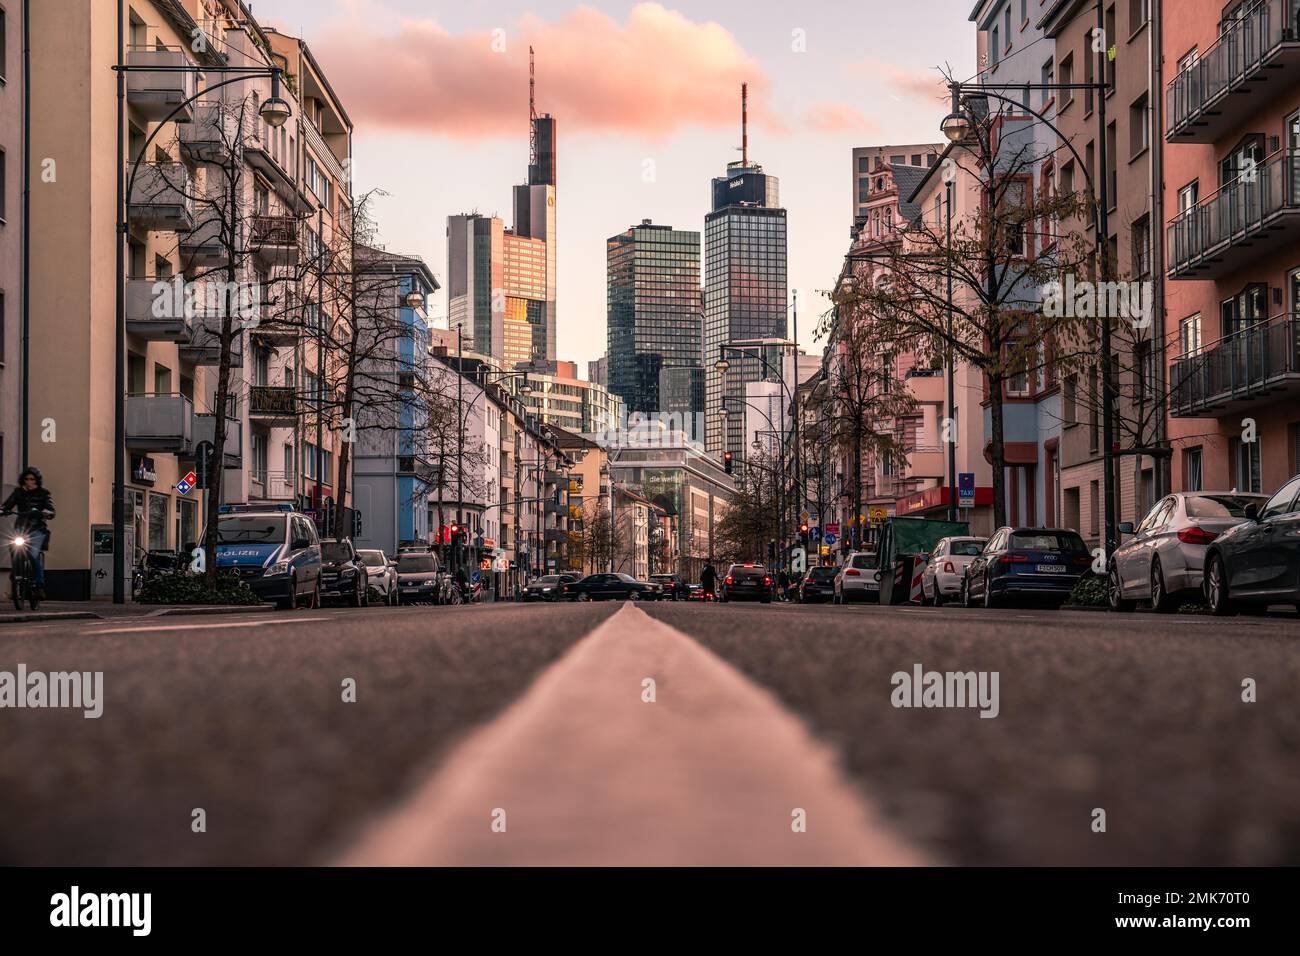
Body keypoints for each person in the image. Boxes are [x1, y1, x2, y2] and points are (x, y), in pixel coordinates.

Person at [2, 467, 56, 596]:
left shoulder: (43, 493)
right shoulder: (18, 492)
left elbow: (51, 508)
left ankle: (39, 584)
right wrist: (3, 510)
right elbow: (7, 505)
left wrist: (47, 512)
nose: (29, 482)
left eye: (32, 479)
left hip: (37, 529)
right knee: (14, 548)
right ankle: (16, 574)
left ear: (37, 480)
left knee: (33, 554)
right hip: (21, 528)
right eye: (26, 479)